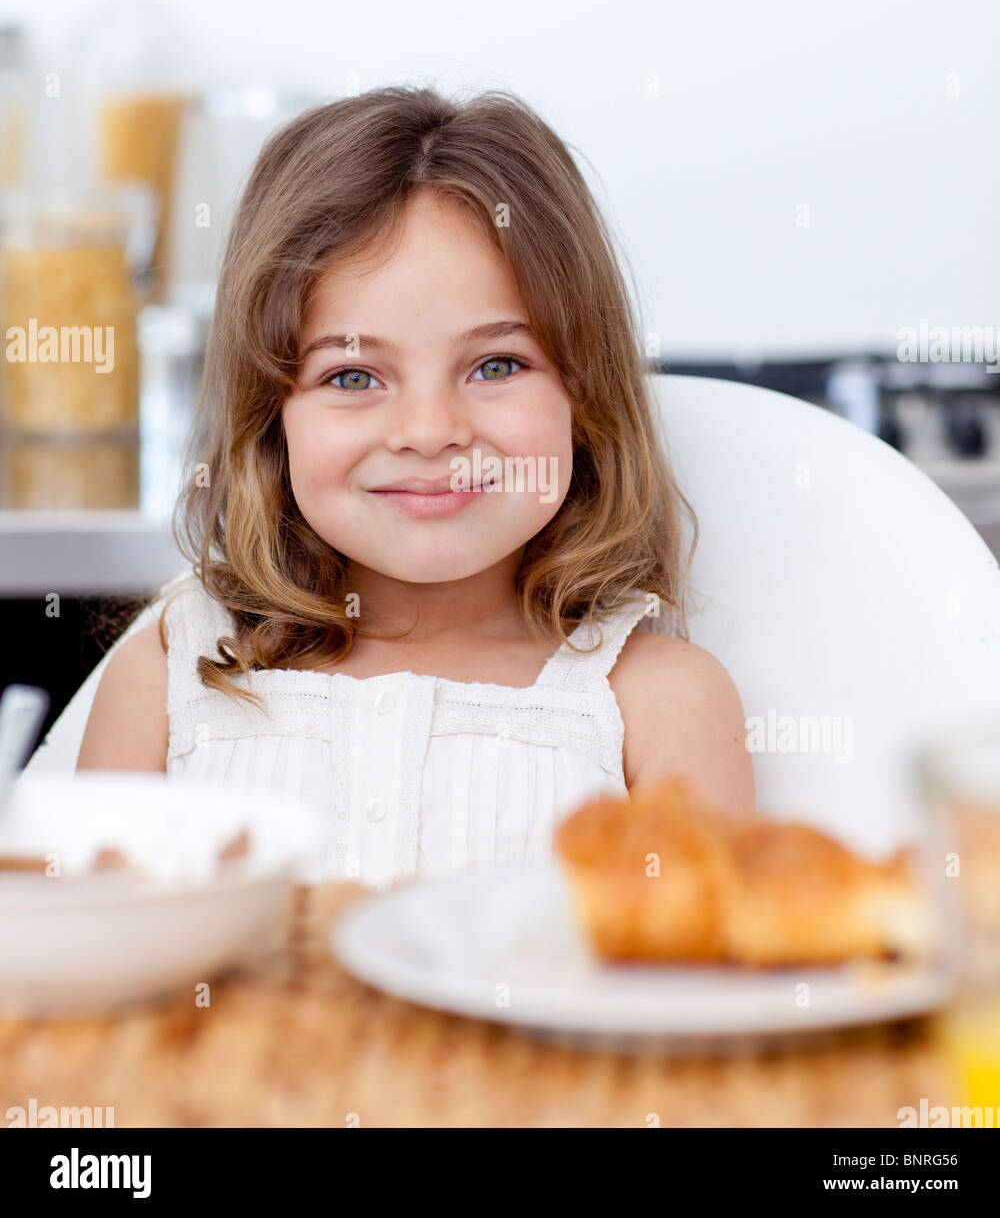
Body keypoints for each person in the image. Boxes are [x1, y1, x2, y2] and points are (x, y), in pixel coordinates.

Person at [78, 85, 754, 886]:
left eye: (497, 365)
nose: (431, 430)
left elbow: (702, 989)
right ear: (272, 417)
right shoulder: (169, 674)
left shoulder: (662, 704)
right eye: (355, 375)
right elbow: (82, 973)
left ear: (586, 394)